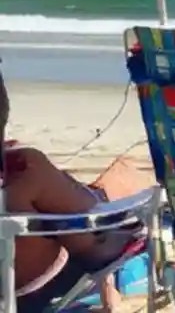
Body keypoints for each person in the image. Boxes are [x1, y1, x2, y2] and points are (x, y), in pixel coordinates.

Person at [1, 71, 153, 313]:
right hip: (37, 293)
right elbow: (93, 241)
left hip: (19, 286)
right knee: (122, 193)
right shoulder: (25, 172)